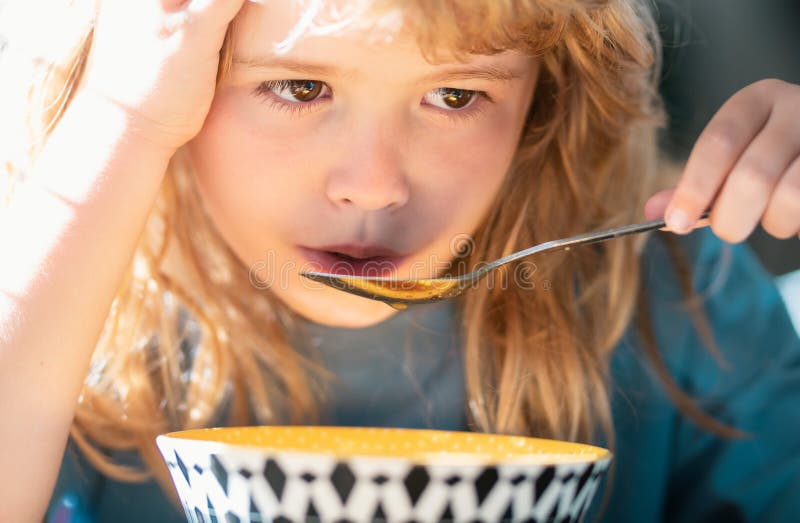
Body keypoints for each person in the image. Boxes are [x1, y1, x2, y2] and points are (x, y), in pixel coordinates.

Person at [0, 0, 798, 521]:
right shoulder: (65, 295)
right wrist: (124, 126)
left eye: (455, 98)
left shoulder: (679, 306)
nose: (373, 186)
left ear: (545, 100)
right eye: (300, 87)